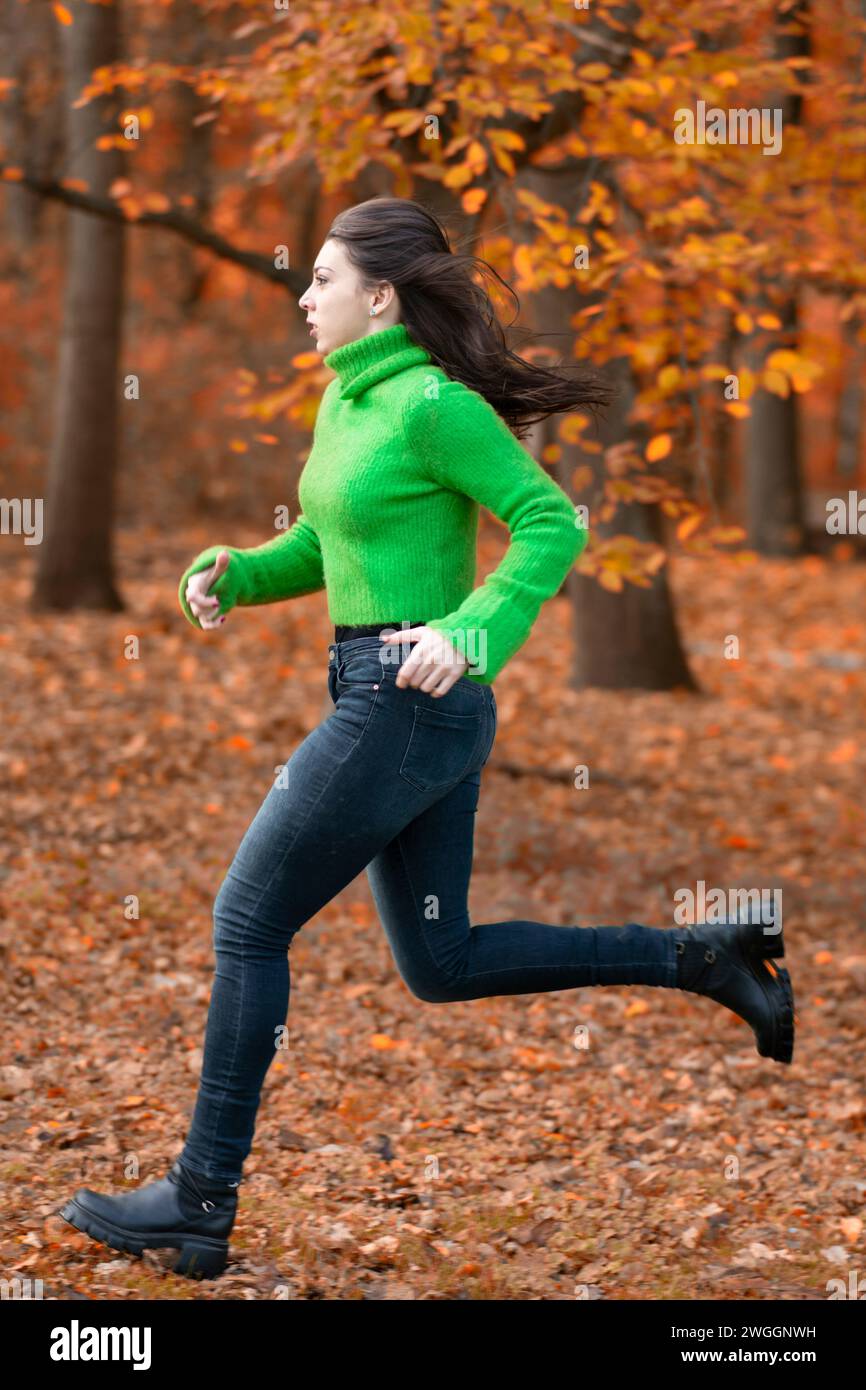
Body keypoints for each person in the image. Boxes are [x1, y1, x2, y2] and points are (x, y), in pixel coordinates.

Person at [60, 196, 795, 1281]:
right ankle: (704, 955)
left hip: (406, 702)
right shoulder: (346, 405)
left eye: (321, 279)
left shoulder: (432, 408)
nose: (303, 297)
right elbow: (331, 539)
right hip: (393, 698)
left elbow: (549, 520)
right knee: (440, 964)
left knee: (246, 923)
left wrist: (471, 631)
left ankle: (198, 1199)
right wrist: (236, 571)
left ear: (380, 295)